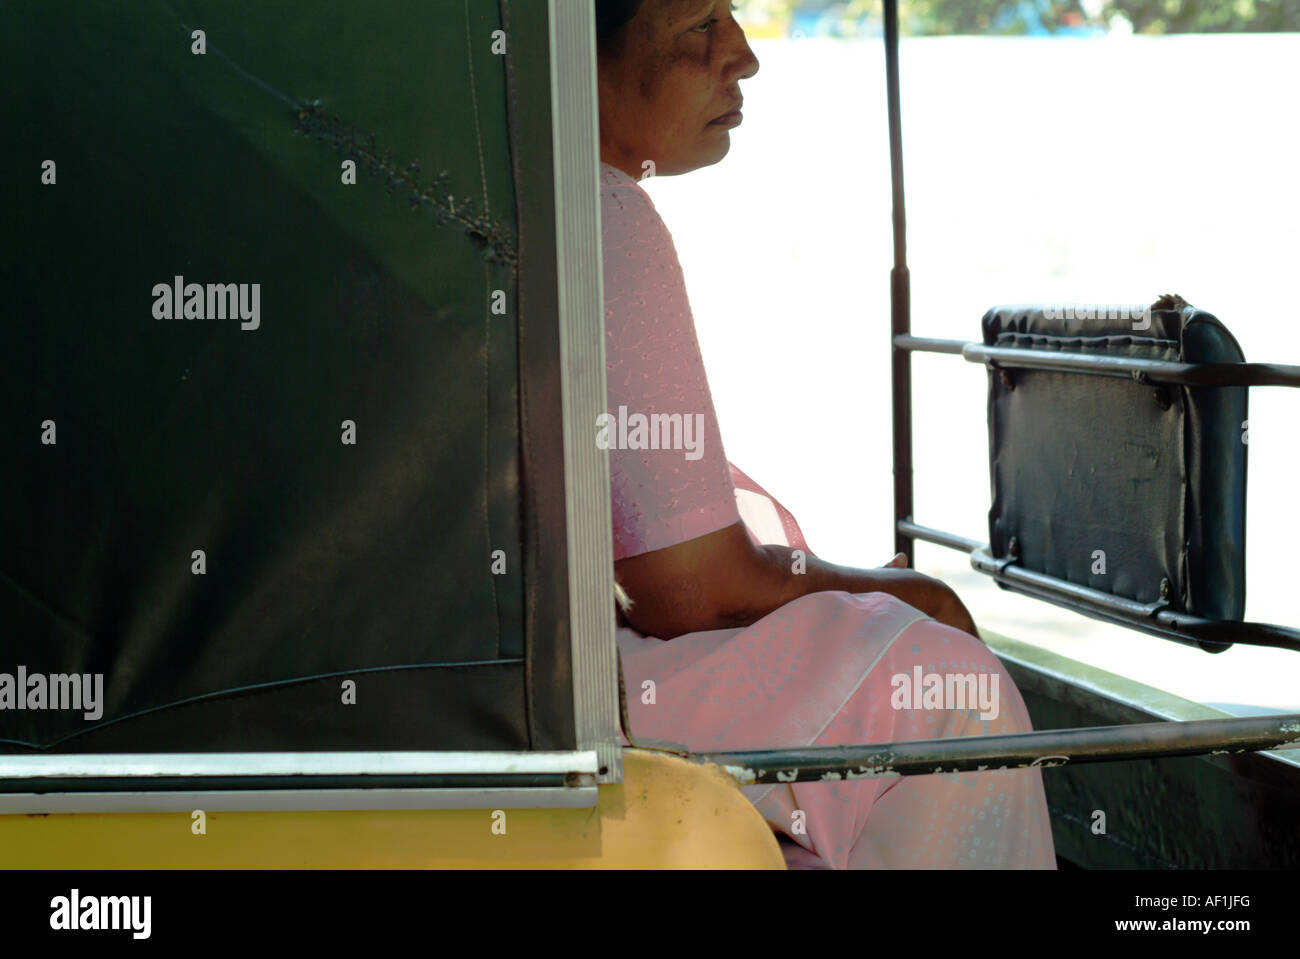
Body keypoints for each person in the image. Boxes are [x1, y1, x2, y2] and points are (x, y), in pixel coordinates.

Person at [597, 0, 1056, 868]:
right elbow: (691, 588)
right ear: (578, 59)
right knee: (948, 679)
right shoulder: (603, 217)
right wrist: (908, 597)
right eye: (700, 26)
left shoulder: (527, 210)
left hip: (520, 674)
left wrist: (846, 591)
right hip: (579, 696)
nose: (742, 57)